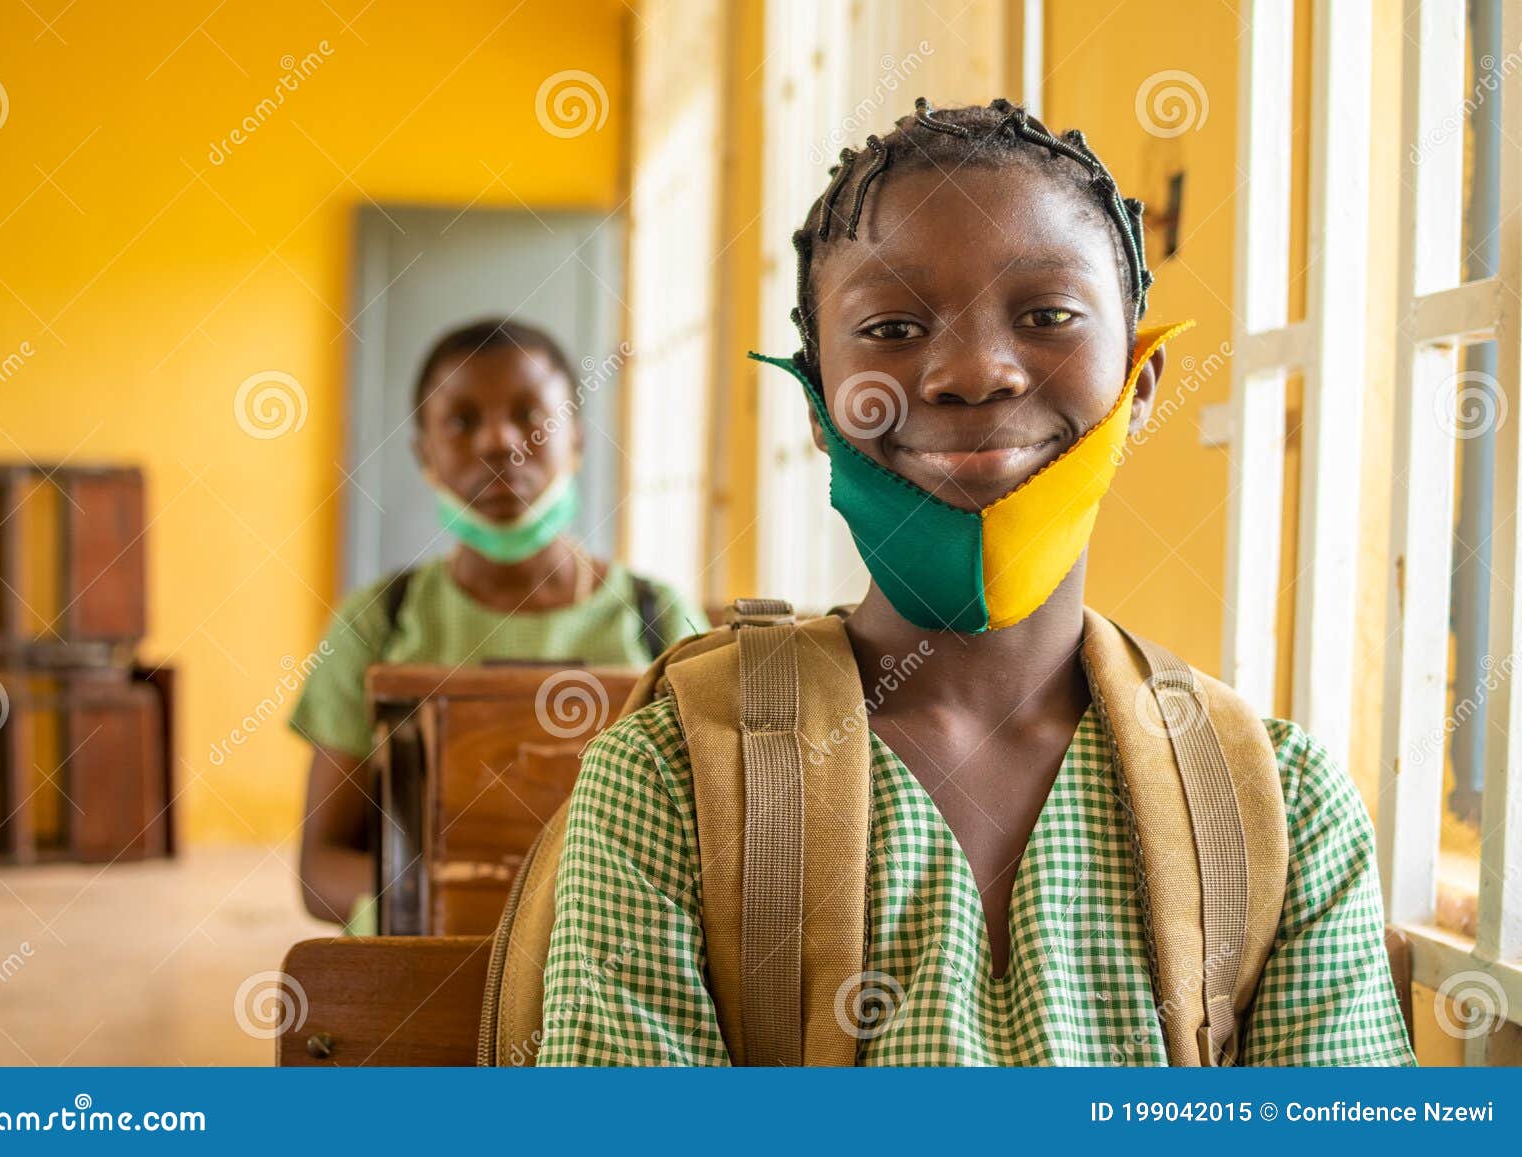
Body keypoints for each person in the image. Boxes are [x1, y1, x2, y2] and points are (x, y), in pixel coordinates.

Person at [535, 100, 1415, 1065]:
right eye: (892, 325)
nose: (973, 370)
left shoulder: (1279, 804)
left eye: (1046, 314)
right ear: (819, 408)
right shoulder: (676, 778)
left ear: (1141, 379)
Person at [288, 318, 708, 934]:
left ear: (579, 443)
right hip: (428, 972)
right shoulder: (379, 620)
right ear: (423, 453)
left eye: (531, 418)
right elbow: (319, 867)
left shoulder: (659, 620)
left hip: (617, 975)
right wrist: (446, 905)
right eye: (460, 421)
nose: (498, 441)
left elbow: (721, 844)